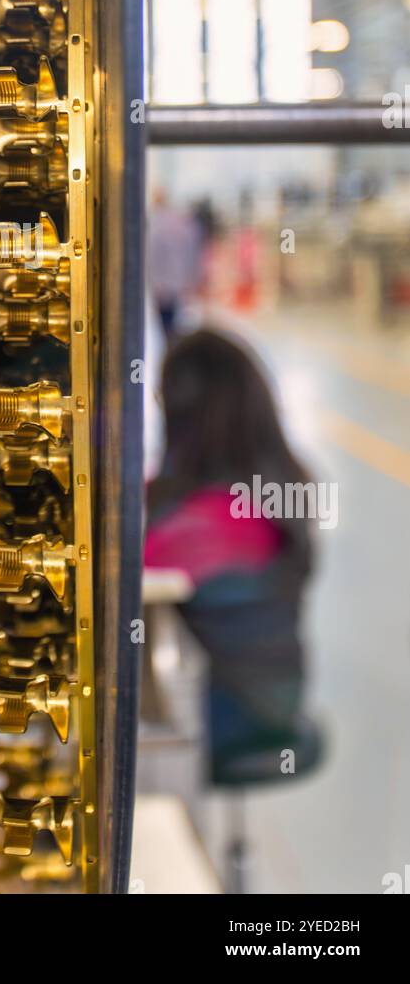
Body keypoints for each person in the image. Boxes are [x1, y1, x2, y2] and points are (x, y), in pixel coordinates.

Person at [145, 329, 314, 777]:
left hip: (235, 719)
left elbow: (125, 568)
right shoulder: (276, 488)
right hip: (275, 700)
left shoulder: (213, 520)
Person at [147, 187, 202, 336]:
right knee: (177, 322)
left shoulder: (157, 225)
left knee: (168, 324)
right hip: (179, 281)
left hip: (164, 284)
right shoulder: (181, 223)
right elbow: (192, 251)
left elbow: (153, 256)